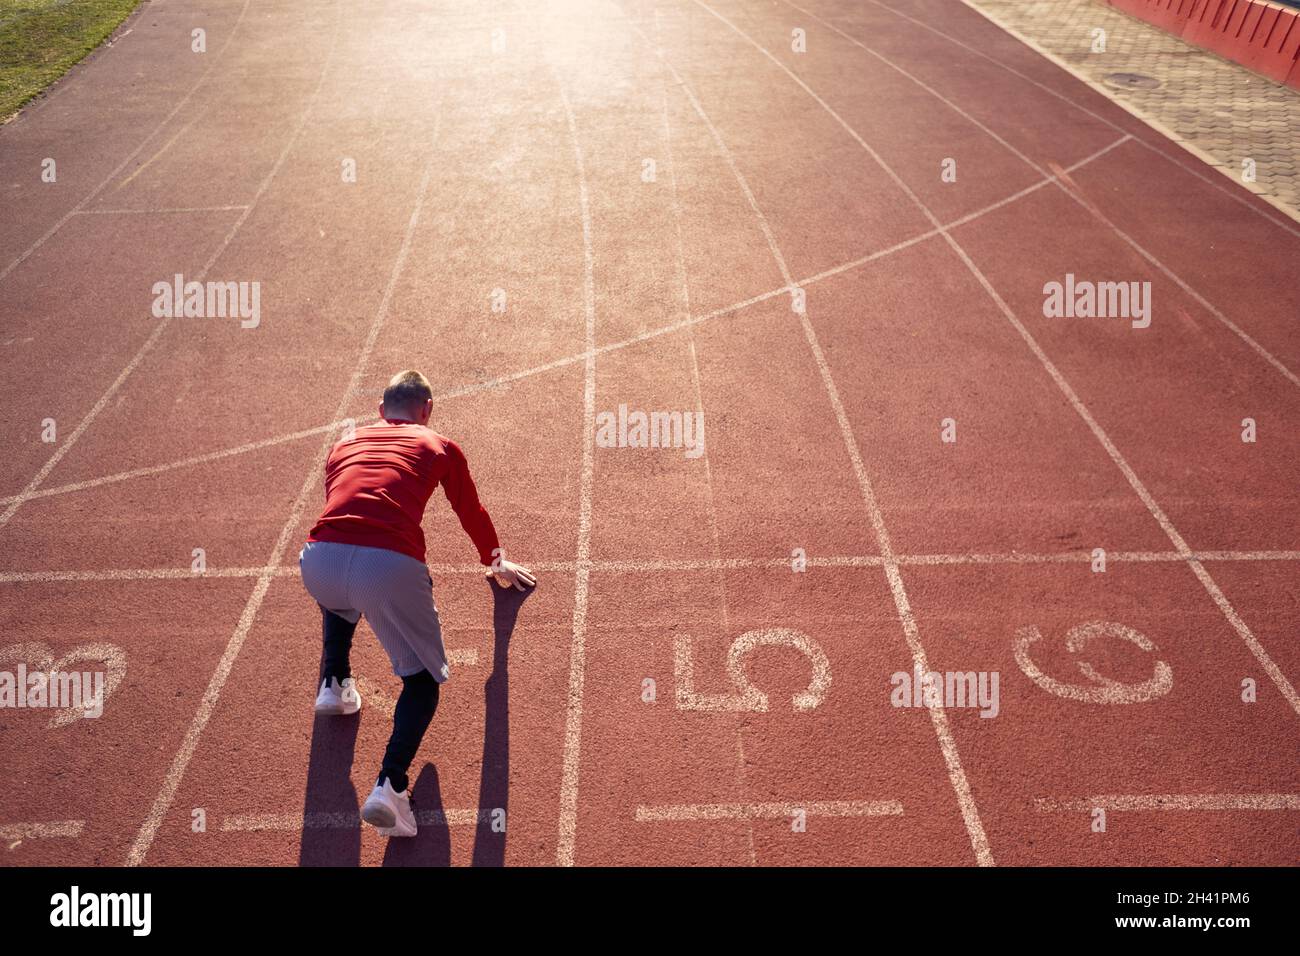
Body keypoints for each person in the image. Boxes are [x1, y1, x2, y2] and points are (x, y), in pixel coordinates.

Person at [298, 369, 534, 837]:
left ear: (381, 410)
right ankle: (391, 785)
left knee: (341, 593)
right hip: (389, 565)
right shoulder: (439, 445)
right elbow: (470, 509)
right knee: (422, 682)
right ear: (426, 410)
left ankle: (334, 681)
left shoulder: (345, 441)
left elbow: (344, 510)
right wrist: (495, 560)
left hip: (317, 560)